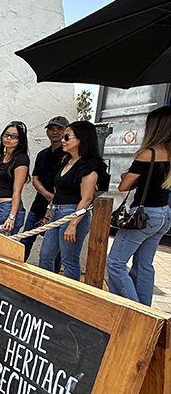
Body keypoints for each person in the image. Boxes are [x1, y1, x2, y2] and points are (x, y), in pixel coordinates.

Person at [106, 106, 171, 306]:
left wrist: (127, 176)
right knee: (144, 265)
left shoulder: (148, 154)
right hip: (163, 214)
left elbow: (124, 186)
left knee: (115, 263)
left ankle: (132, 309)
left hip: (144, 215)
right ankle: (146, 312)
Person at [38, 121, 103, 281]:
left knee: (69, 260)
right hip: (56, 212)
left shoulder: (89, 166)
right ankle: (48, 291)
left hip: (72, 213)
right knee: (45, 255)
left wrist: (73, 224)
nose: (63, 140)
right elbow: (58, 189)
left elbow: (87, 198)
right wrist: (50, 209)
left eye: (67, 136)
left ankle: (70, 296)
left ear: (81, 139)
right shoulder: (66, 160)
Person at [22, 116, 68, 265]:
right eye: (51, 129)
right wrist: (47, 194)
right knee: (25, 241)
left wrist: (54, 199)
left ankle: (52, 278)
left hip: (60, 208)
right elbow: (35, 179)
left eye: (59, 129)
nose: (55, 132)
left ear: (66, 131)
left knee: (56, 250)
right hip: (39, 205)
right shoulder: (42, 154)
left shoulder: (69, 155)